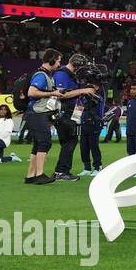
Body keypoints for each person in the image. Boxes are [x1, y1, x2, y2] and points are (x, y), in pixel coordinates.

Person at [19, 49, 66, 184]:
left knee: (38, 144)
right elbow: (32, 92)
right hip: (37, 113)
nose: (59, 64)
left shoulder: (45, 74)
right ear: (51, 59)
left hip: (35, 113)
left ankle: (31, 176)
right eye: (58, 60)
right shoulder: (41, 75)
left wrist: (54, 93)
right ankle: (39, 174)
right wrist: (53, 94)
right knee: (45, 142)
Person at [52, 52, 97, 181]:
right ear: (77, 66)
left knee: (69, 141)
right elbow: (62, 94)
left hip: (71, 111)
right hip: (64, 111)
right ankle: (61, 171)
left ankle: (61, 171)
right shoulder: (62, 74)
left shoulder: (70, 75)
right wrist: (83, 90)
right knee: (69, 140)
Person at [78, 82, 104, 176]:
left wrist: (91, 94)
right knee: (83, 147)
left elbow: (97, 102)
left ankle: (98, 167)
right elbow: (78, 110)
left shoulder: (98, 98)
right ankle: (87, 168)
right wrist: (76, 121)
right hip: (84, 124)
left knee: (94, 147)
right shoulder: (81, 98)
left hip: (94, 124)